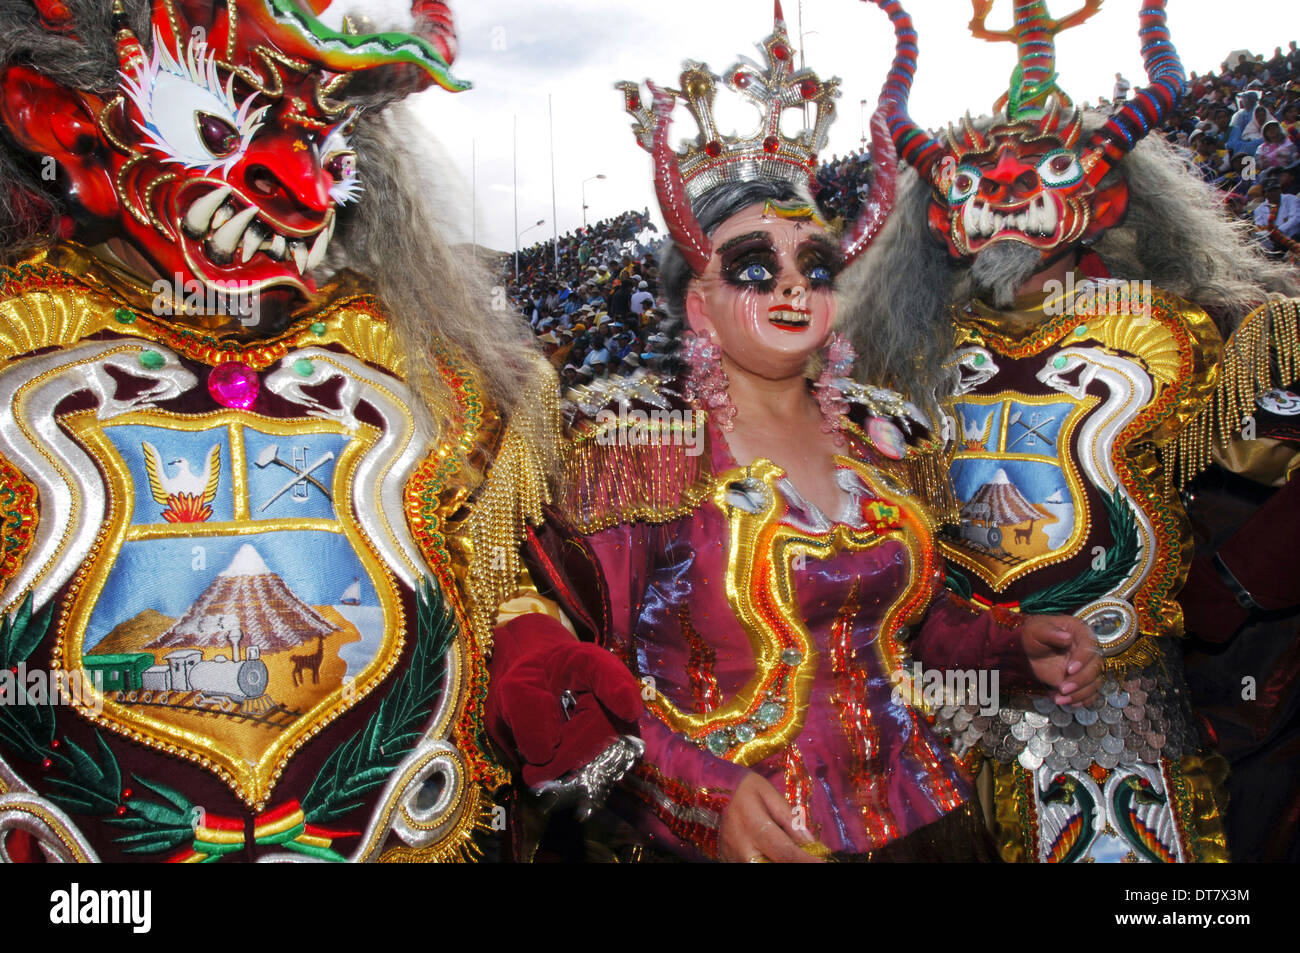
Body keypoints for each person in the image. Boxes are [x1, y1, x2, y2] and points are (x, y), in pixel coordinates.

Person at [485, 0, 1102, 863]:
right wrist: (701, 797)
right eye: (751, 267)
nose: (791, 285)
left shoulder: (887, 436)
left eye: (815, 265)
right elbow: (581, 684)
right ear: (698, 306)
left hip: (930, 829)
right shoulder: (634, 449)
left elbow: (916, 626)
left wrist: (1008, 642)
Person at [0, 0, 555, 863]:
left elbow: (485, 570)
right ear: (65, 125)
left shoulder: (417, 373)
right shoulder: (21, 346)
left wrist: (529, 642)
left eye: (327, 147)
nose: (304, 192)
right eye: (218, 127)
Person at [851, 0, 1300, 862]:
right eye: (982, 181)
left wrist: (1232, 587)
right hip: (955, 701)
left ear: (1102, 192)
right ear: (943, 210)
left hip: (1116, 701)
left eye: (1042, 170)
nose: (1009, 195)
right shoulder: (900, 362)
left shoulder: (1183, 334)